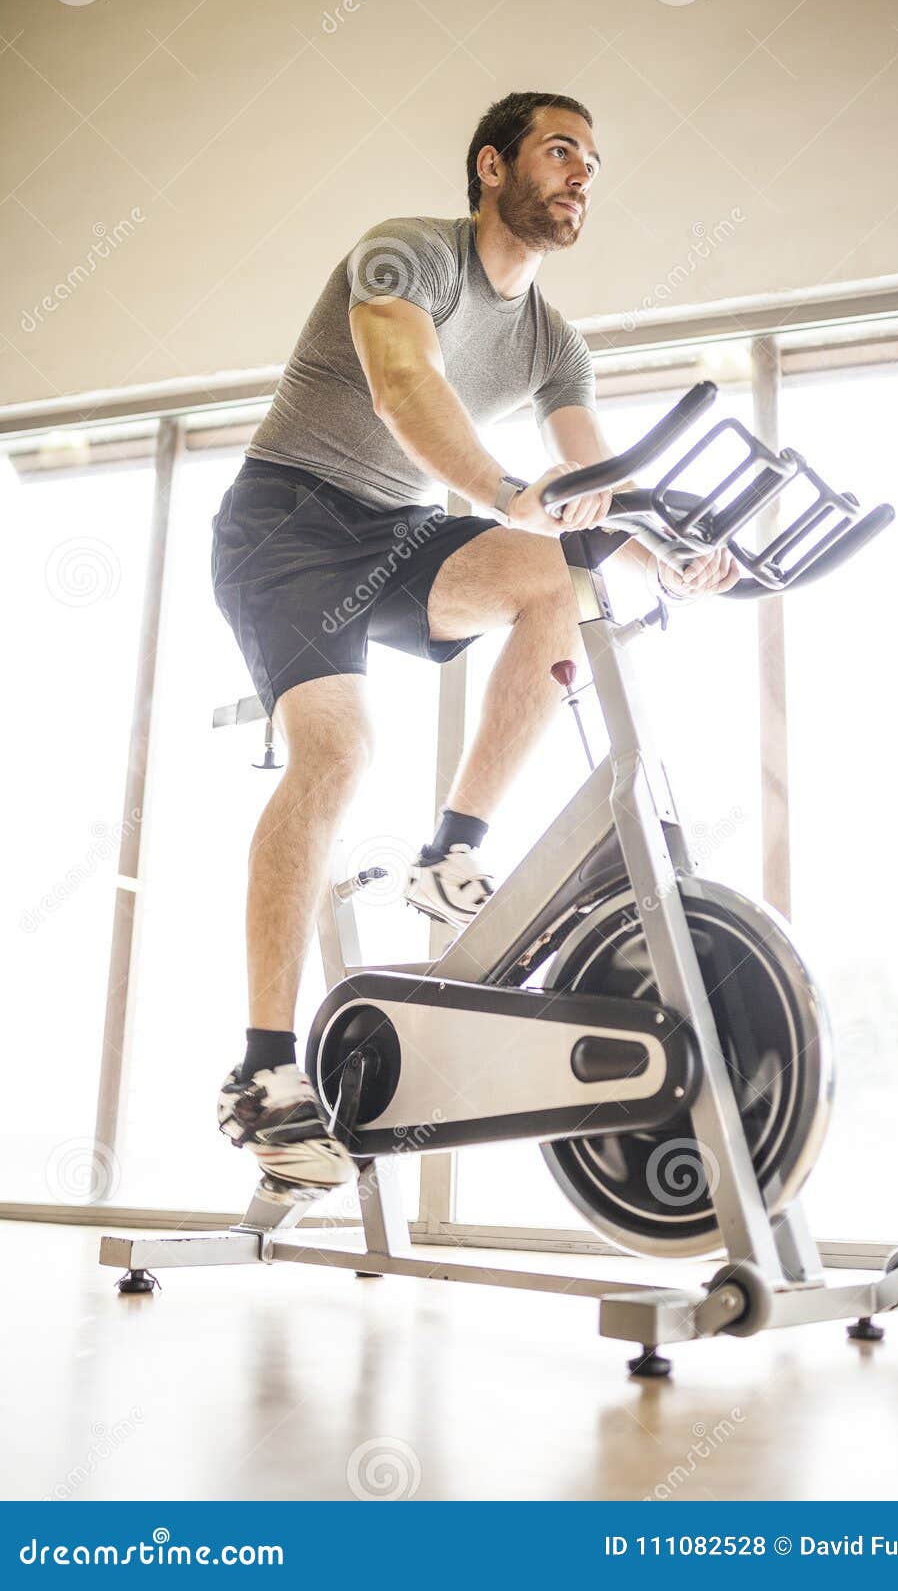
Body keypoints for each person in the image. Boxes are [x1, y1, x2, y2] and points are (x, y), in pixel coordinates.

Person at [212, 90, 739, 1194]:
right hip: (287, 526)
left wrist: (679, 555)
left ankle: (451, 852)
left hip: (399, 534)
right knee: (340, 752)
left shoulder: (554, 340)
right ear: (492, 165)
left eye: (593, 159)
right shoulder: (408, 255)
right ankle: (263, 1073)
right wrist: (503, 489)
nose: (582, 173)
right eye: (560, 151)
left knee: (571, 569)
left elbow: (601, 490)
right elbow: (406, 383)